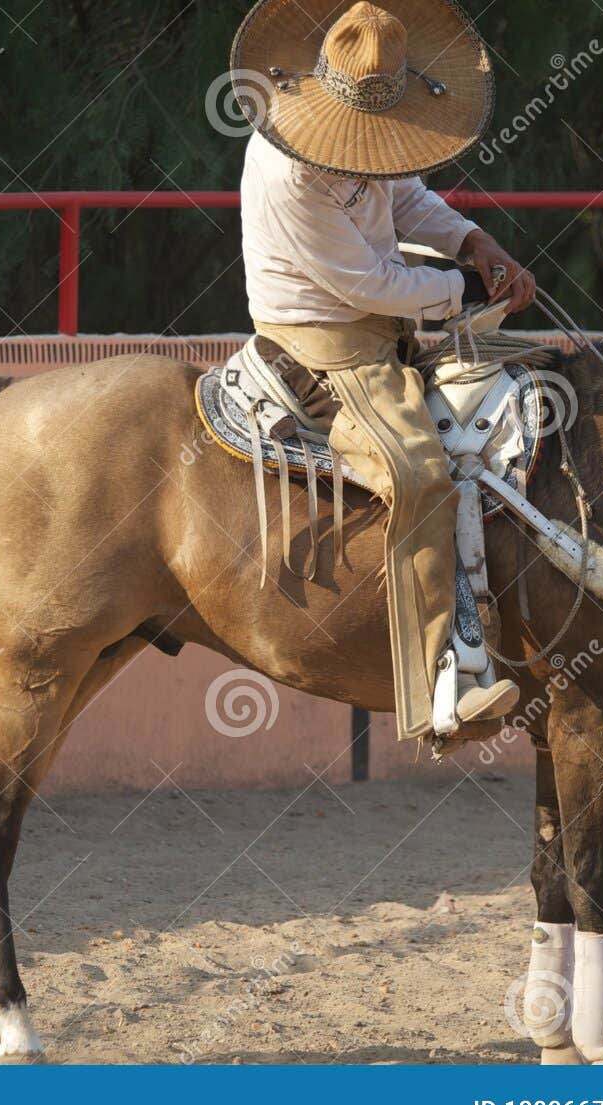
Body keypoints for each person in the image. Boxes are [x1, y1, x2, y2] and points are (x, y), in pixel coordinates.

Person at [233, 0, 536, 741]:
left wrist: (472, 242)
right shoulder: (288, 172)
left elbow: (403, 195)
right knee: (421, 474)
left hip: (383, 309)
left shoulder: (349, 136)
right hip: (327, 342)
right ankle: (443, 676)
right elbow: (363, 284)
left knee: (526, 390)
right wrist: (460, 290)